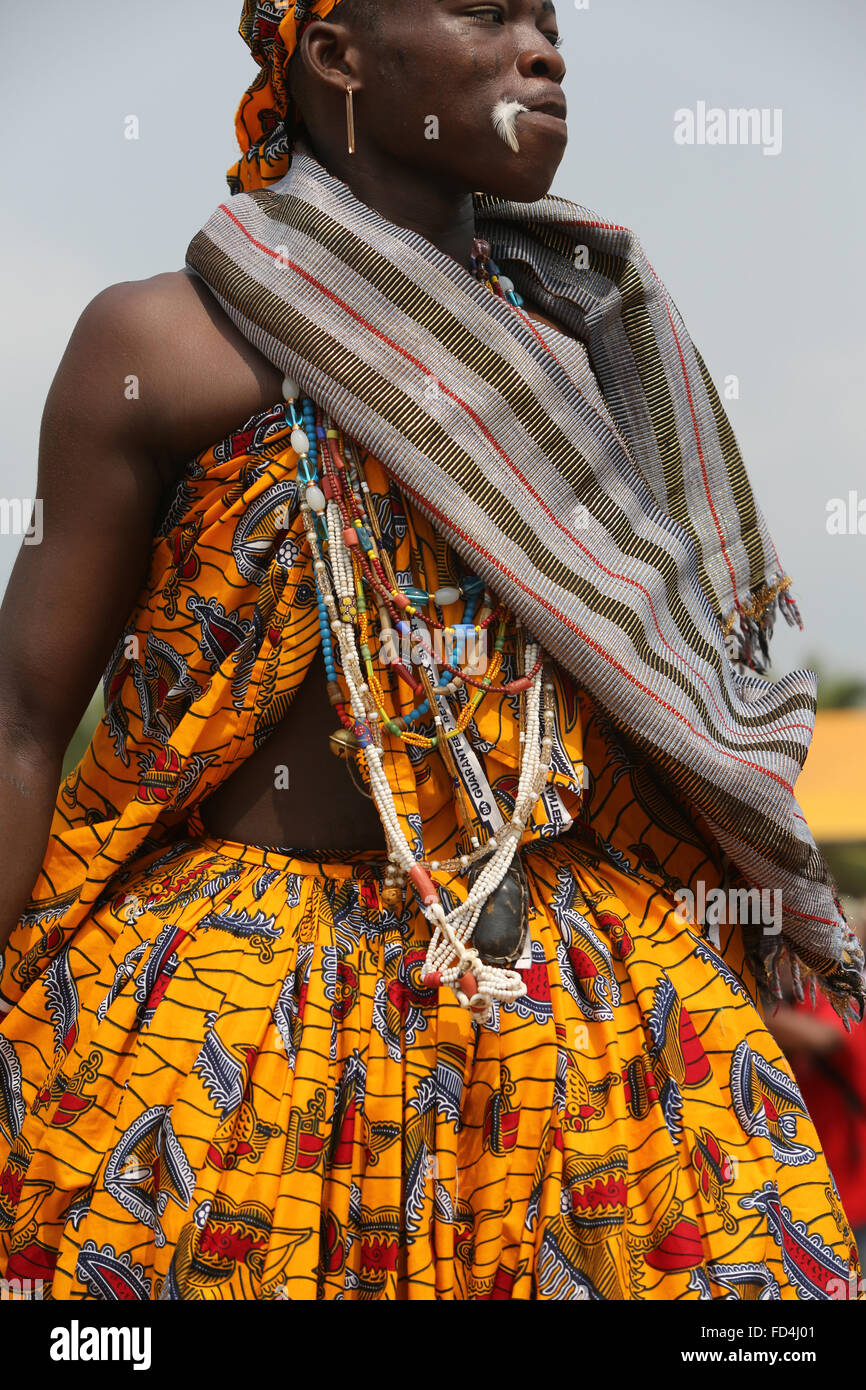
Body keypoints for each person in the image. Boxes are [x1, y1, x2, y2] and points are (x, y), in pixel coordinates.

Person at [0, 0, 862, 1301]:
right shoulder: (165, 346)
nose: (543, 48)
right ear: (334, 58)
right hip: (248, 1015)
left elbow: (675, 712)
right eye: (487, 13)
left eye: (550, 21)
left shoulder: (591, 355)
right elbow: (21, 709)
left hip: (583, 1022)